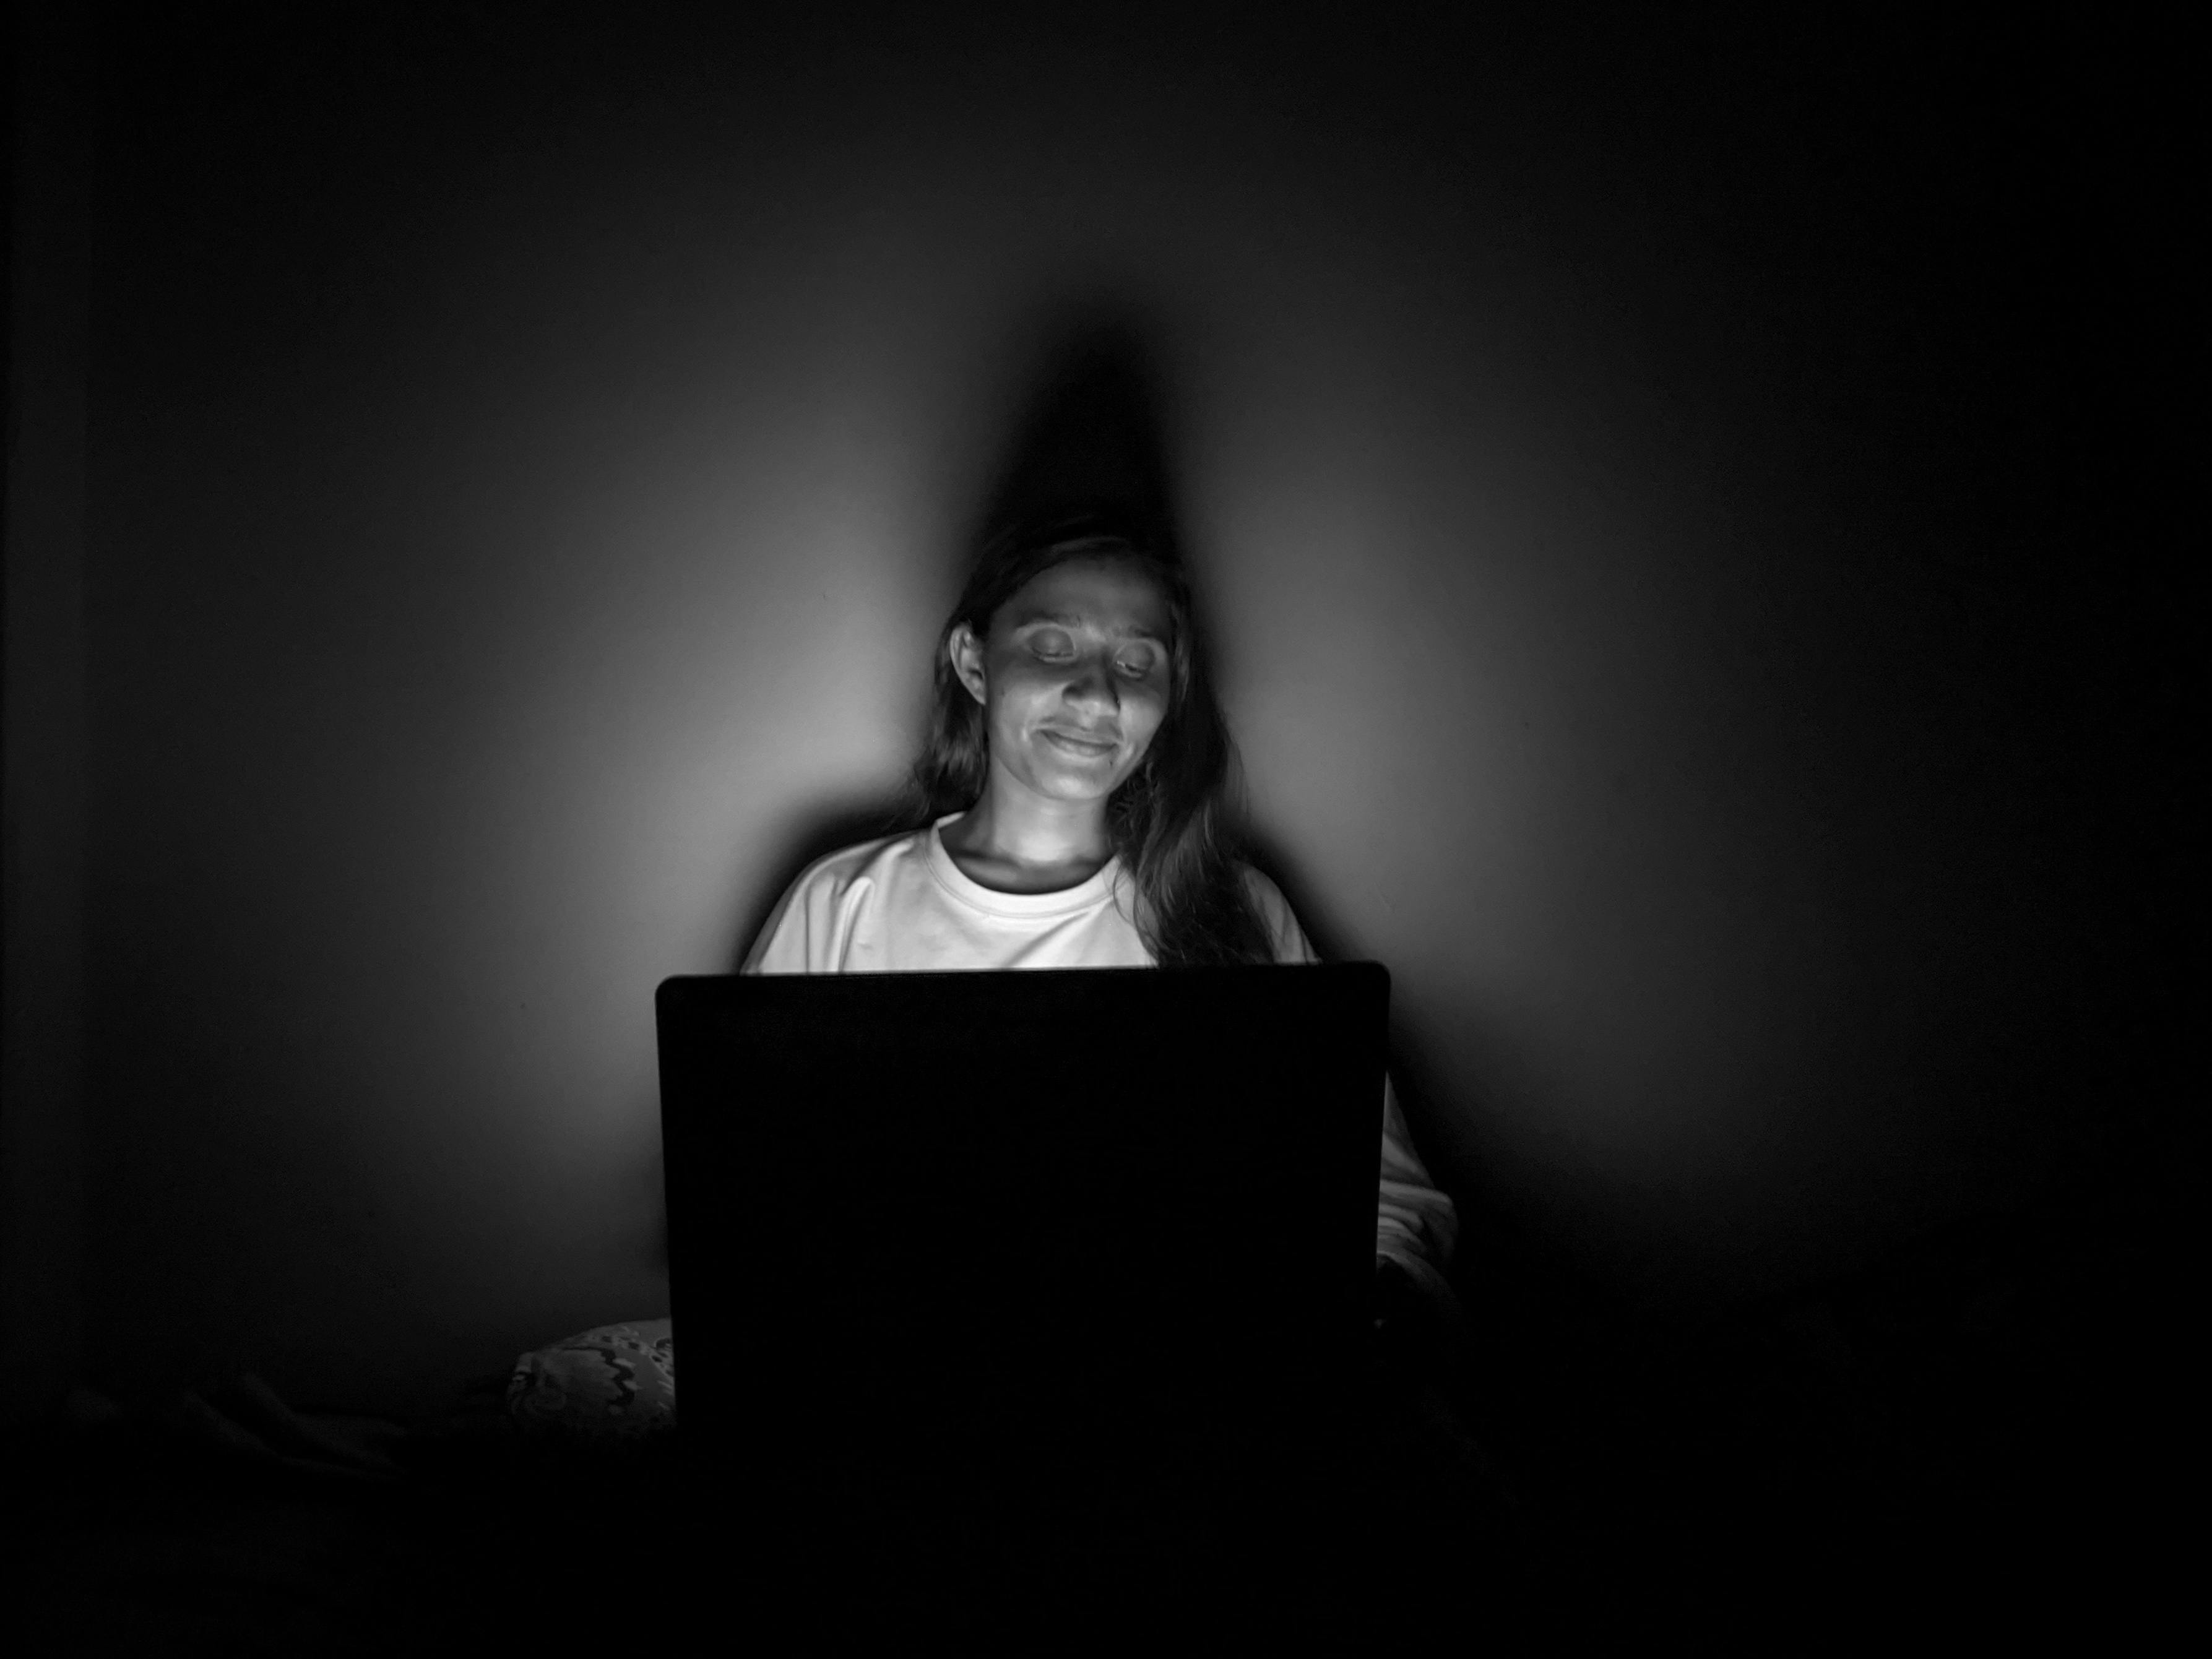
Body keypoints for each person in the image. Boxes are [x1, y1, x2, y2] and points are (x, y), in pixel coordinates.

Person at [741, 518, 1461, 1317]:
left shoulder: (1235, 908)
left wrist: (1382, 1305)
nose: (1096, 694)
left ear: (1166, 696)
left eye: (1134, 660)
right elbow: (747, 1192)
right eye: (1053, 646)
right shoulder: (842, 902)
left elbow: (1385, 1200)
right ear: (974, 662)